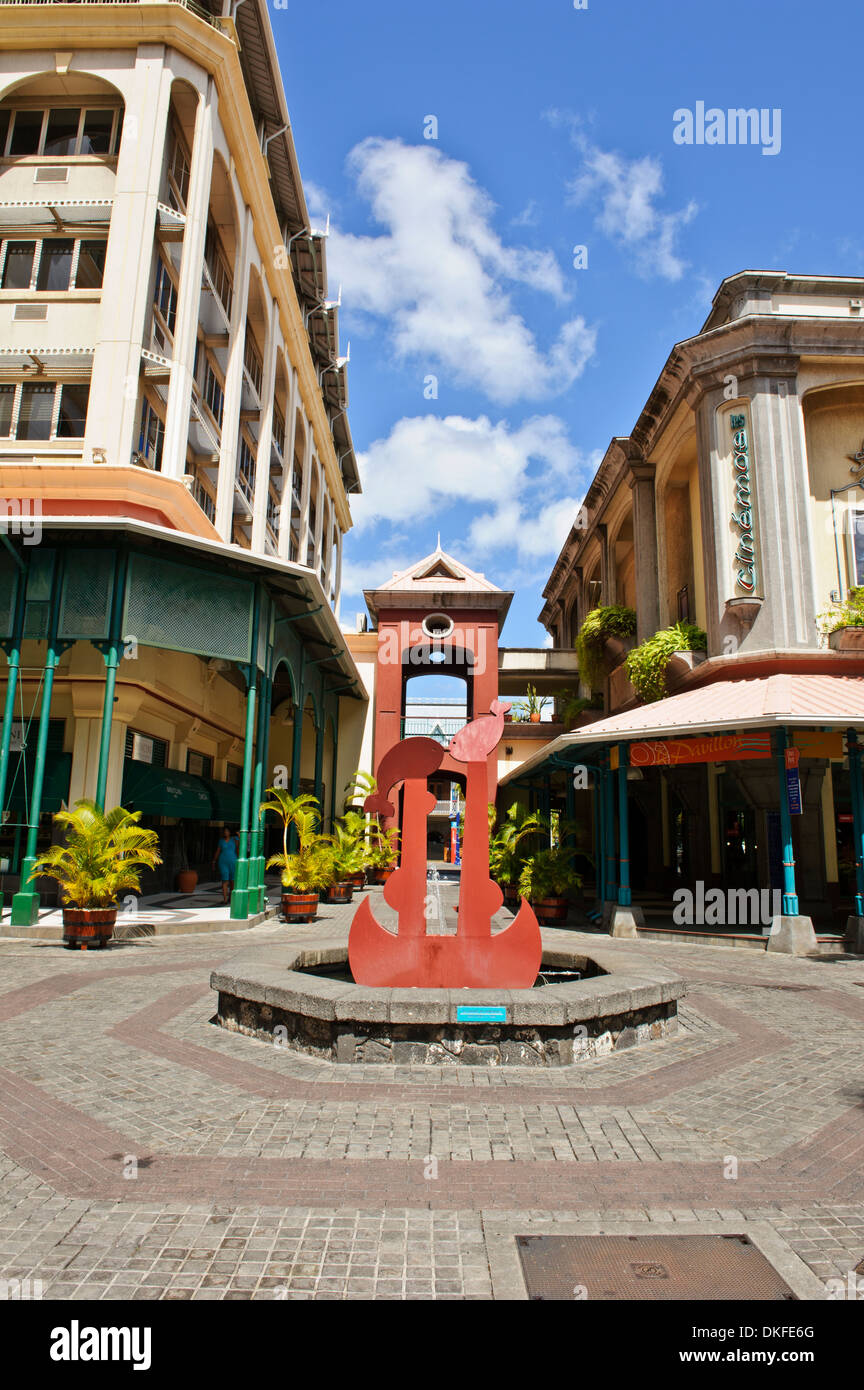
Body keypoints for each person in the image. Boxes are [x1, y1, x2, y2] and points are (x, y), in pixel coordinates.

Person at [212, 826, 239, 905]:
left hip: (233, 861)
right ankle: (225, 899)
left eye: (227, 831)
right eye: (224, 831)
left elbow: (239, 848)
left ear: (230, 832)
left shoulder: (235, 839)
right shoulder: (221, 841)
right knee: (224, 880)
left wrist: (239, 836)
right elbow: (218, 851)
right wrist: (214, 861)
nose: (225, 832)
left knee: (232, 881)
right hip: (223, 862)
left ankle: (231, 897)